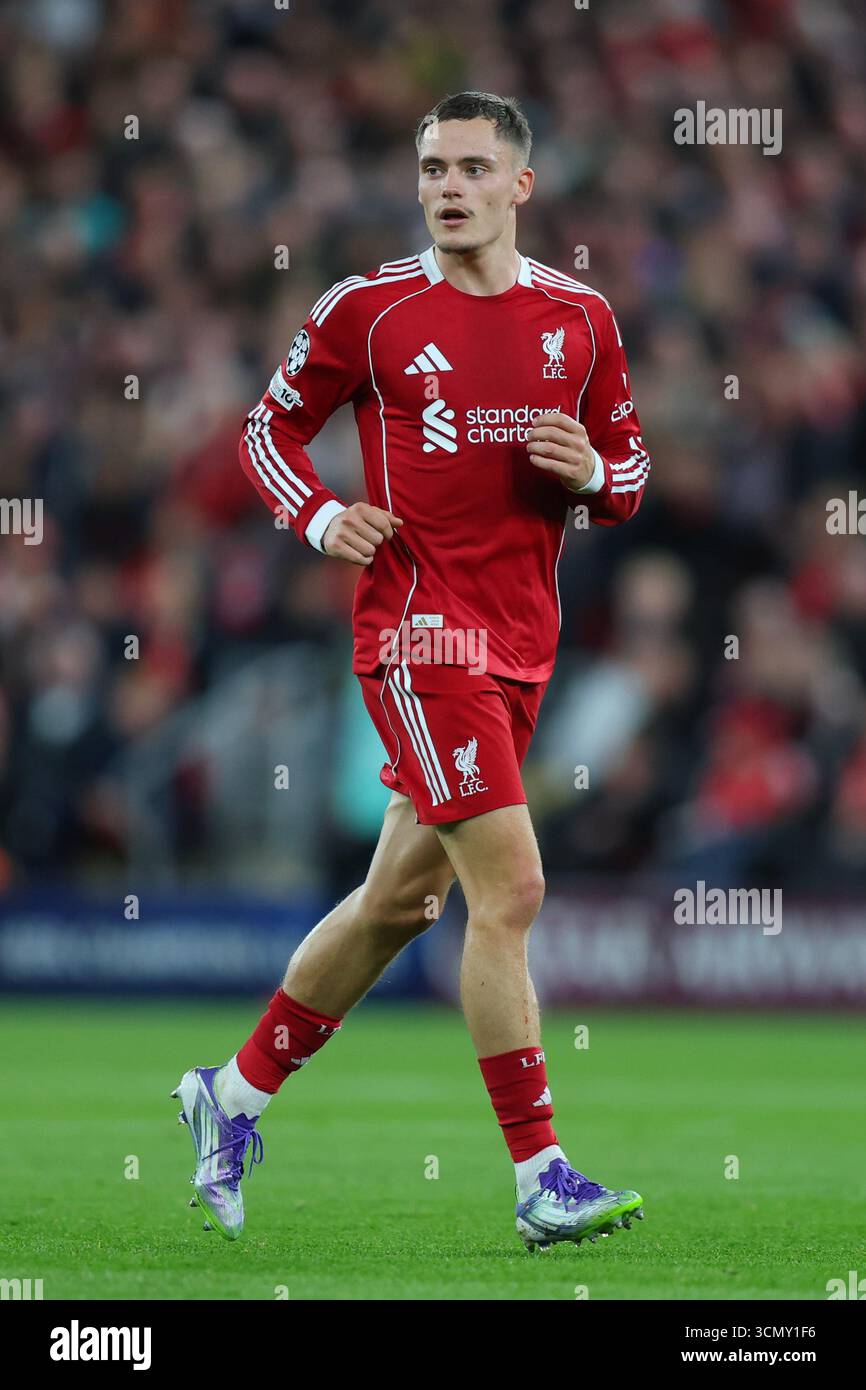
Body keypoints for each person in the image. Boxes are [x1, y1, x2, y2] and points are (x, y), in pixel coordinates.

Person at [174, 91, 649, 1252]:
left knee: (400, 902)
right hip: (418, 638)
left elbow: (630, 475)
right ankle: (540, 1175)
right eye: (432, 166)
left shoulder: (579, 320)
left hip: (522, 643)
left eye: (472, 168)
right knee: (513, 892)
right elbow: (264, 431)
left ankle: (226, 1099)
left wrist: (590, 470)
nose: (446, 186)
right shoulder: (370, 310)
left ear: (519, 186)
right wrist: (319, 513)